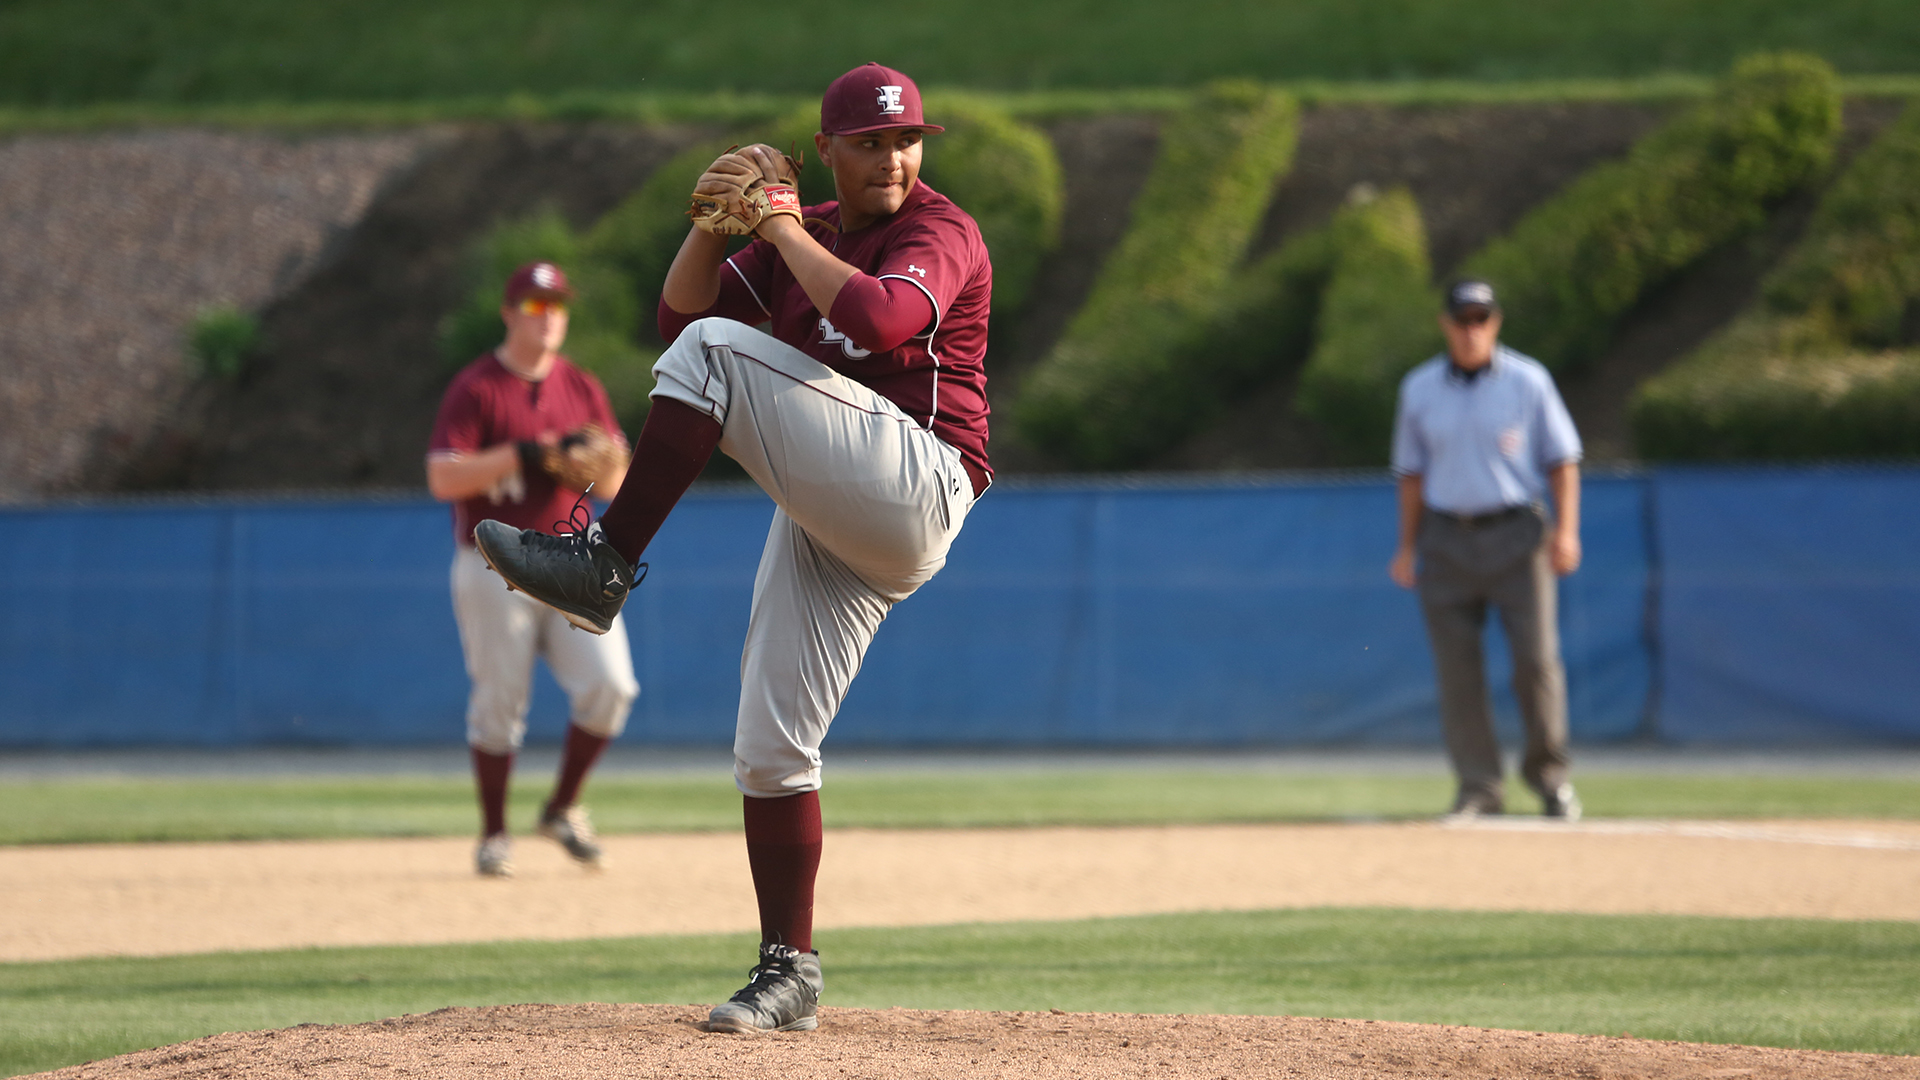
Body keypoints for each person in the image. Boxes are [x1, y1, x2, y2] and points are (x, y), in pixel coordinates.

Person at [470, 63, 992, 1032]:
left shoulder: (940, 229)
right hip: (835, 513)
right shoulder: (813, 229)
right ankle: (788, 967)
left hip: (921, 484)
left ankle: (602, 565)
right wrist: (714, 226)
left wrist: (781, 224)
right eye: (871, 143)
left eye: (908, 139)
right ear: (828, 151)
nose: (893, 158)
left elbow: (878, 317)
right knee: (770, 750)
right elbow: (681, 319)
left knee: (712, 358)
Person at [426, 261, 639, 878]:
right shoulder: (478, 388)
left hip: (573, 563)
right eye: (536, 307)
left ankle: (562, 807)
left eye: (558, 307)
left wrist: (584, 463)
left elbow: (617, 479)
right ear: (509, 312)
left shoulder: (581, 385)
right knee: (500, 702)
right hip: (492, 566)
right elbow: (444, 477)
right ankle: (494, 835)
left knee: (611, 688)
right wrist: (523, 453)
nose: (549, 319)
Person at [1388, 280, 1584, 822]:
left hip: (1517, 534)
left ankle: (1551, 781)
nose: (1472, 329)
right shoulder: (1420, 388)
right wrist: (1406, 547)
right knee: (1457, 670)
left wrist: (1567, 531)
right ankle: (1479, 788)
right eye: (1463, 319)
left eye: (1482, 318)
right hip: (1446, 536)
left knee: (1536, 663)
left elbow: (1562, 460)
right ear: (1446, 325)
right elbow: (1410, 473)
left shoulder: (1528, 380)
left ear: (1495, 323)